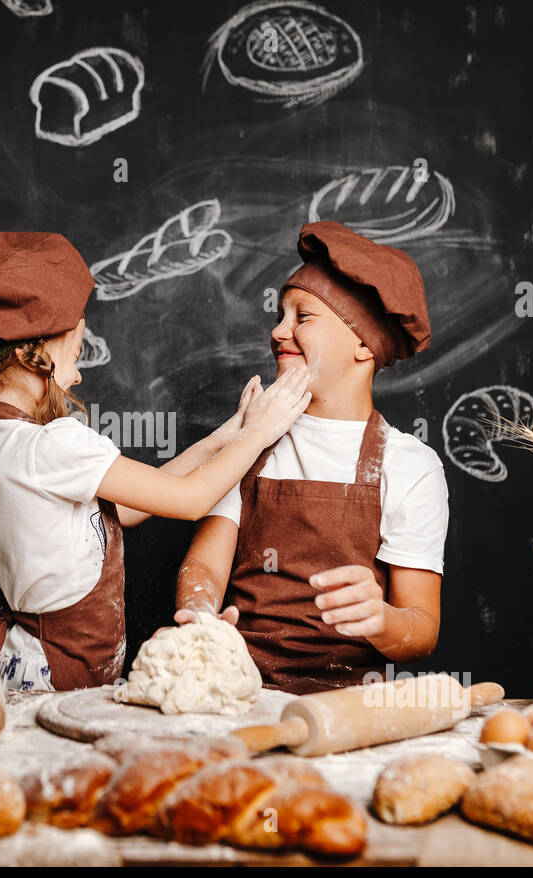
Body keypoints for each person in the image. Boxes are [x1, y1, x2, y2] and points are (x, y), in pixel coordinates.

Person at [0, 229, 310, 691]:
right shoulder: (54, 445)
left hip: (15, 663)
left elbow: (123, 508)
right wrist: (263, 430)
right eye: (75, 354)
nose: (79, 373)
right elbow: (189, 500)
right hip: (48, 673)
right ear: (30, 354)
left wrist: (227, 437)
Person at [174, 220, 448, 694]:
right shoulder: (254, 441)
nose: (278, 331)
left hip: (348, 704)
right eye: (280, 315)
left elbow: (420, 632)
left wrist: (381, 619)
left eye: (302, 317)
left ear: (364, 343)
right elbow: (205, 565)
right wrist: (200, 617)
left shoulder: (410, 466)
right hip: (240, 689)